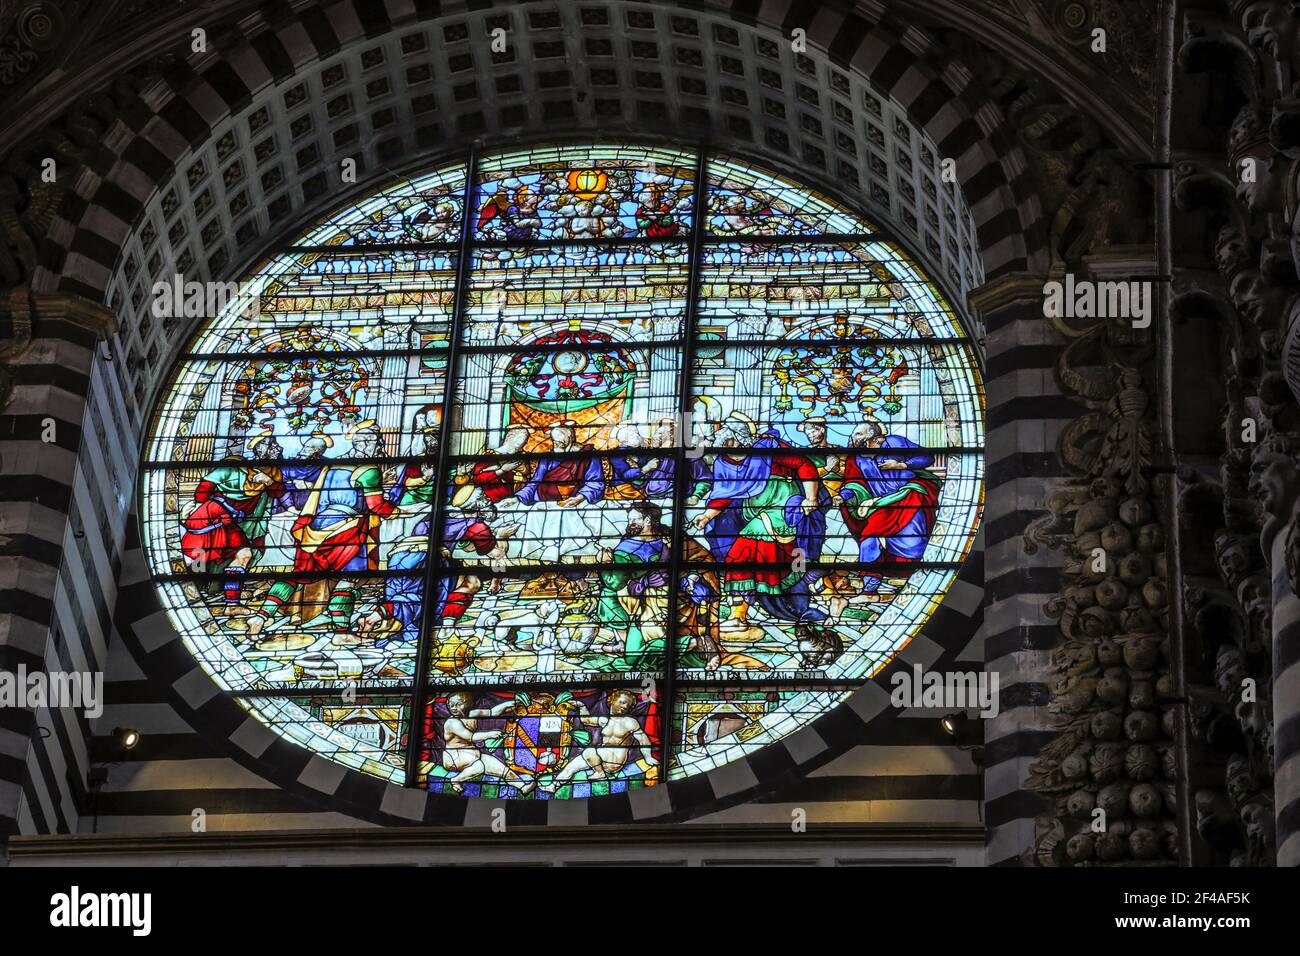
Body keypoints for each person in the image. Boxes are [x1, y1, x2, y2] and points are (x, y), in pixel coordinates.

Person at [246, 421, 397, 643]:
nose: (379, 446)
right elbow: (376, 506)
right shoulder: (368, 470)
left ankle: (260, 617)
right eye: (376, 441)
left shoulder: (333, 466)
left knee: (301, 575)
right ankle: (341, 633)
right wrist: (396, 511)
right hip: (347, 529)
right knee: (348, 578)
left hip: (315, 527)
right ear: (366, 443)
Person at [180, 432, 286, 608]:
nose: (278, 449)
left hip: (243, 523)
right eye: (273, 446)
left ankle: (229, 600)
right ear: (262, 449)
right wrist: (203, 511)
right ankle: (198, 592)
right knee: (201, 554)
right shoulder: (233, 466)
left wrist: (269, 482)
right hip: (215, 519)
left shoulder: (273, 473)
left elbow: (279, 493)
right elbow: (205, 487)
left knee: (242, 554)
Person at [835, 420, 941, 593]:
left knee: (914, 542)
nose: (854, 439)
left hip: (909, 495)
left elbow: (927, 457)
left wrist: (902, 465)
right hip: (881, 503)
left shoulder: (896, 443)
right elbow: (854, 483)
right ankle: (869, 581)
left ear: (876, 440)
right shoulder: (855, 459)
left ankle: (921, 576)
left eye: (859, 435)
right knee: (870, 534)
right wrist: (843, 496)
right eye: (854, 435)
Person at [497, 420, 605, 565]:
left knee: (564, 515)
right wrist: (517, 498)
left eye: (560, 443)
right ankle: (538, 561)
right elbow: (535, 482)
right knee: (537, 511)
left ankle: (559, 561)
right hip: (545, 500)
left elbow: (595, 482)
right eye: (554, 442)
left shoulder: (589, 456)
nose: (556, 446)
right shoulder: (547, 458)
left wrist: (579, 498)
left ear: (571, 438)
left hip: (576, 502)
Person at [543, 689, 657, 790]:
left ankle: (600, 773)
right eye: (622, 702)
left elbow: (643, 739)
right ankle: (554, 785)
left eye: (627, 705)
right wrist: (582, 706)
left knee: (589, 751)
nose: (624, 706)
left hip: (615, 761)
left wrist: (648, 756)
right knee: (572, 766)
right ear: (612, 701)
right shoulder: (604, 720)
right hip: (599, 758)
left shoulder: (630, 722)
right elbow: (586, 720)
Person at [439, 691, 536, 795]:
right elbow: (471, 737)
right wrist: (489, 734)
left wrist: (509, 703)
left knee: (501, 768)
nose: (453, 708)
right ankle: (456, 779)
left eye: (458, 704)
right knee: (480, 766)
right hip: (454, 756)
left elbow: (492, 712)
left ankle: (523, 787)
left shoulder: (472, 714)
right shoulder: (452, 723)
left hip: (472, 754)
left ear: (468, 703)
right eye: (451, 705)